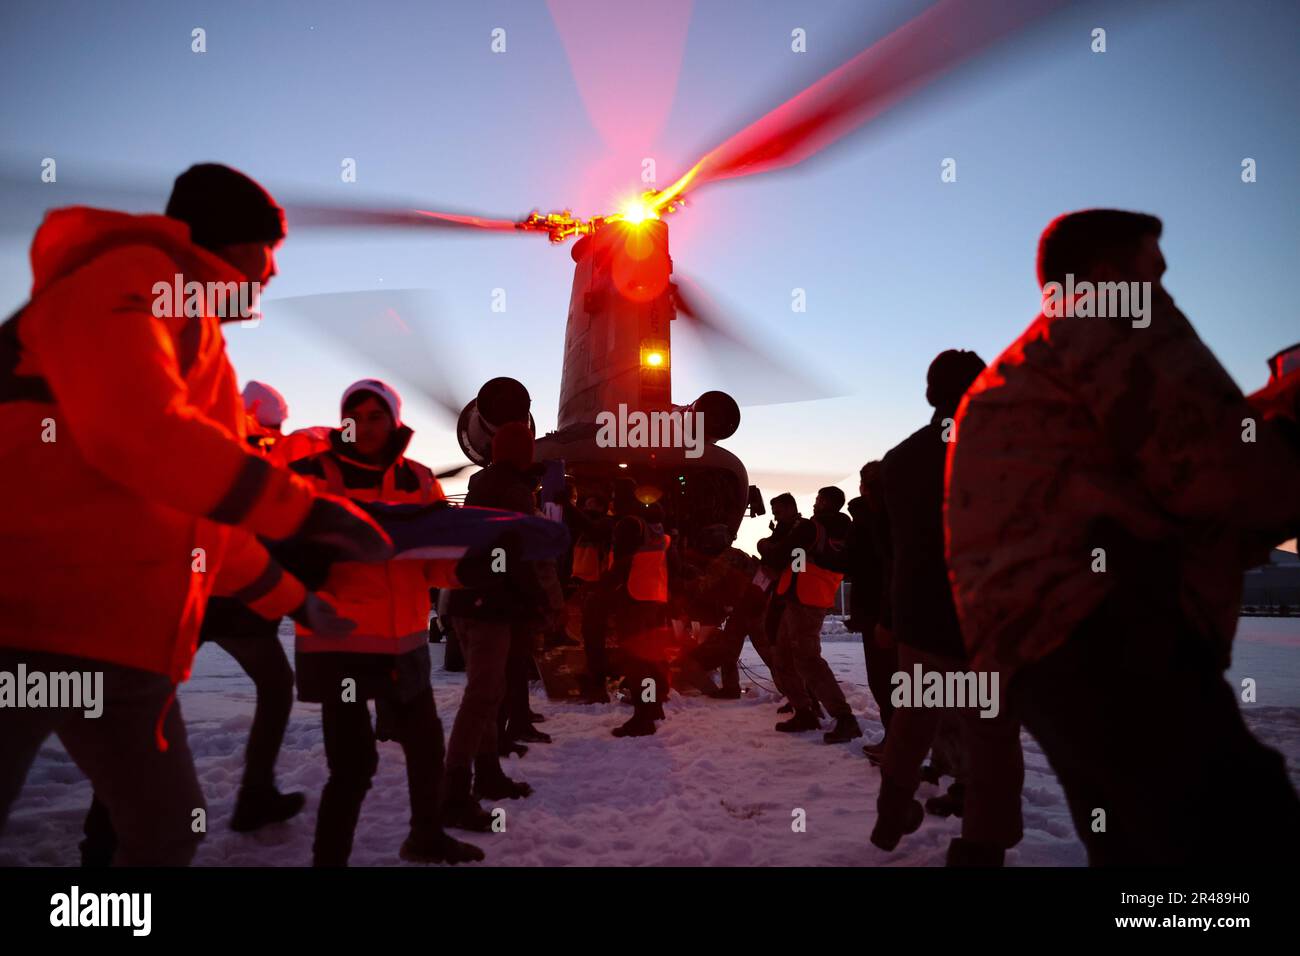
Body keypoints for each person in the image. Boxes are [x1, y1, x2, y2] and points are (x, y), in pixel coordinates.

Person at [0, 163, 390, 866]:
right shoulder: (129, 275)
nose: (271, 275)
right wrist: (303, 512)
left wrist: (298, 600)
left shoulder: (197, 337)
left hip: (115, 646)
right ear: (227, 247)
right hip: (22, 617)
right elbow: (134, 431)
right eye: (265, 253)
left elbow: (196, 519)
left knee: (167, 834)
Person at [946, 209, 1300, 865]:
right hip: (1119, 644)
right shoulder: (1114, 318)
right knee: (1245, 841)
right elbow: (1225, 477)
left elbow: (1150, 479)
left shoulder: (1021, 370)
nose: (1164, 289)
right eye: (1156, 271)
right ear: (1111, 272)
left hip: (1040, 656)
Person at [290, 379, 482, 865]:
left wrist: (468, 568)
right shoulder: (315, 478)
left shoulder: (417, 481)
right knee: (353, 765)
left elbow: (433, 561)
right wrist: (308, 564)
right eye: (355, 417)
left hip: (404, 644)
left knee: (425, 748)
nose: (366, 427)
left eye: (377, 417)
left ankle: (427, 837)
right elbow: (282, 544)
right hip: (341, 647)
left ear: (393, 420)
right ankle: (327, 861)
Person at [870, 350, 1025, 866]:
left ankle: (892, 813)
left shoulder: (898, 461)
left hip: (919, 619)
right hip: (984, 623)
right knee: (991, 740)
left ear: (930, 394)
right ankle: (981, 847)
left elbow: (901, 547)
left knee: (913, 722)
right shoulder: (1007, 452)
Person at [444, 422, 547, 829]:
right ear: (523, 454)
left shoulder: (484, 486)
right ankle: (453, 792)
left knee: (488, 692)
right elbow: (515, 553)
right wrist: (535, 598)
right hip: (490, 607)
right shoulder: (514, 492)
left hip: (468, 601)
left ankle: (486, 773)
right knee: (482, 696)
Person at [769, 487, 861, 743]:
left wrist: (766, 544)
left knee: (804, 660)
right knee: (787, 656)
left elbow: (778, 554)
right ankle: (805, 711)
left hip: (801, 597)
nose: (815, 503)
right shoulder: (845, 531)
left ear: (824, 502)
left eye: (819, 499)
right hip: (816, 597)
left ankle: (844, 718)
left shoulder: (811, 528)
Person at [606, 502, 675, 737]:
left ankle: (642, 718)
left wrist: (604, 590)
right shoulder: (660, 534)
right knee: (651, 662)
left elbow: (621, 566)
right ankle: (653, 708)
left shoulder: (630, 527)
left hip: (633, 601)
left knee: (637, 665)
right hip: (654, 601)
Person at [846, 461, 895, 758]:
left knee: (885, 681)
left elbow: (863, 565)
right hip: (893, 613)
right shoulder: (902, 515)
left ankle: (898, 746)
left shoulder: (870, 521)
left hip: (881, 615)